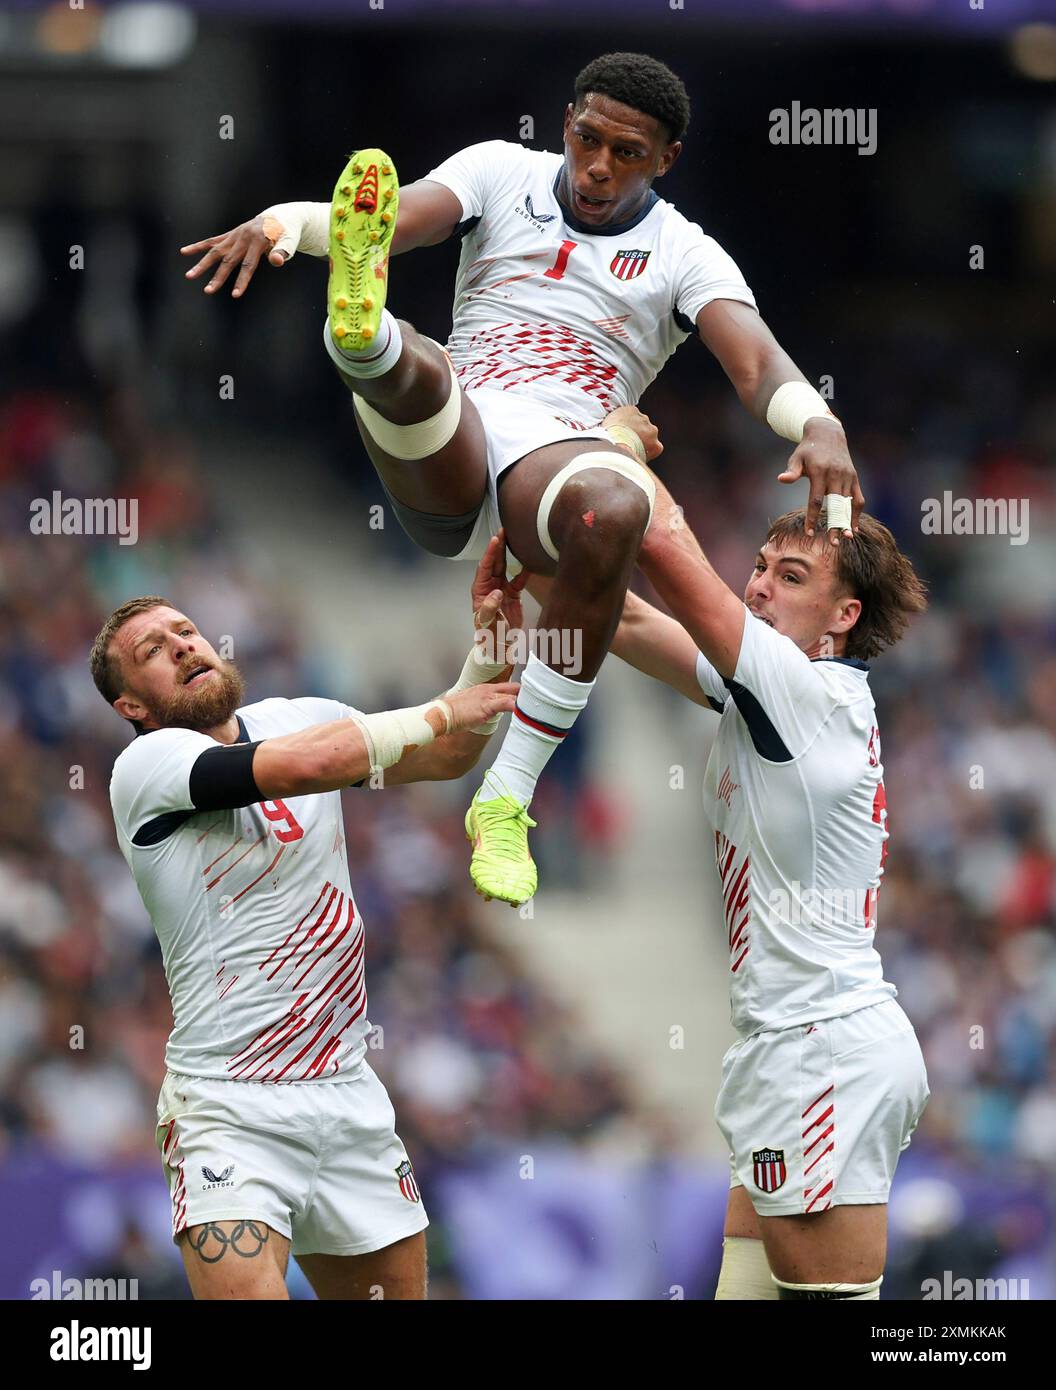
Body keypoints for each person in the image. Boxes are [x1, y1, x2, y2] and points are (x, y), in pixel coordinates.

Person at [180, 50, 864, 908]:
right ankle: (361, 329)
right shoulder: (503, 171)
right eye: (587, 139)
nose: (599, 167)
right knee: (429, 372)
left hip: (557, 454)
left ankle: (506, 799)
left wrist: (817, 420)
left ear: (666, 159)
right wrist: (293, 223)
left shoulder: (686, 254)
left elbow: (756, 363)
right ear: (568, 120)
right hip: (459, 427)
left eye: (628, 153)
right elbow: (403, 216)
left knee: (612, 501)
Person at [90, 539, 522, 1300]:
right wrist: (435, 708)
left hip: (346, 1093)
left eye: (185, 630)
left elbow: (448, 752)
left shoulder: (301, 715)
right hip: (229, 1105)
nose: (183, 646)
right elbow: (305, 768)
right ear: (132, 704)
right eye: (152, 651)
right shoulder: (147, 768)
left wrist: (487, 648)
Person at [549, 497, 930, 1300]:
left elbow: (667, 550)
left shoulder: (806, 696)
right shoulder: (767, 695)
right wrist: (538, 565)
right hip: (785, 1047)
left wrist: (611, 457)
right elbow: (633, 625)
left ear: (842, 616)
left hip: (820, 1048)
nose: (757, 587)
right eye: (758, 566)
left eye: (790, 577)